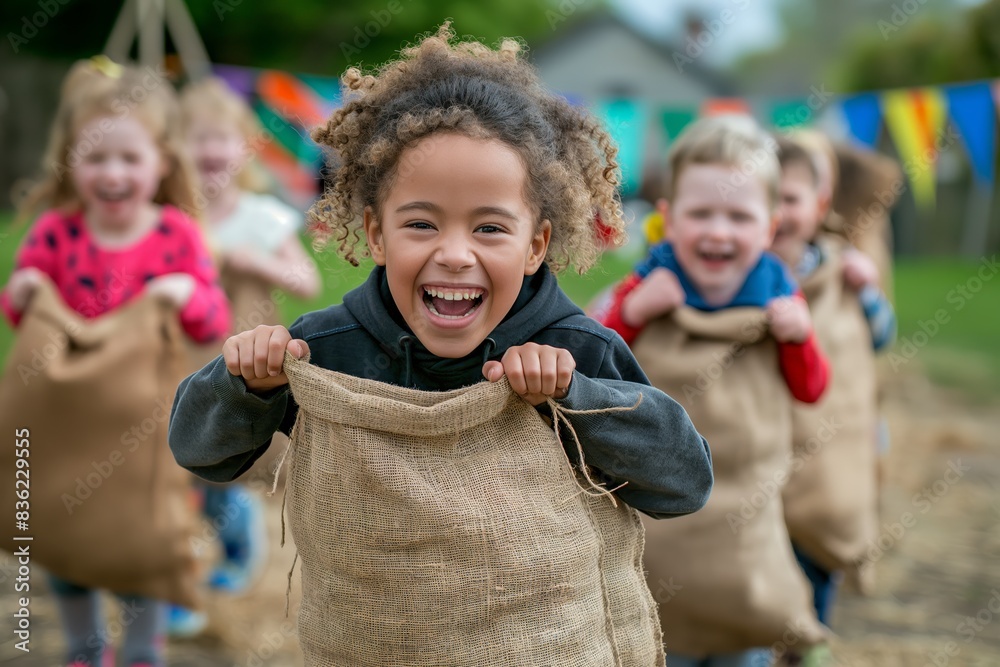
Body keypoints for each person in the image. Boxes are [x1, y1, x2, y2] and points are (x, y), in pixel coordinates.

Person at [167, 21, 713, 652]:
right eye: (421, 224)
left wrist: (575, 397)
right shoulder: (329, 351)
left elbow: (682, 483)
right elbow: (200, 451)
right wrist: (242, 384)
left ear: (537, 244)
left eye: (490, 229)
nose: (455, 254)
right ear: (375, 234)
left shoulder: (576, 350)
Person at [0, 56, 230, 667]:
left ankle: (142, 651)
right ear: (70, 160)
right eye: (95, 157)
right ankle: (84, 646)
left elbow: (213, 317)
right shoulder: (55, 233)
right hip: (68, 423)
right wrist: (22, 291)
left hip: (143, 430)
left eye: (129, 158)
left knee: (142, 546)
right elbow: (22, 315)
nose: (112, 172)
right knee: (61, 537)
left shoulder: (176, 236)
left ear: (161, 162)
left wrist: (186, 293)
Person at [599, 115, 830, 666]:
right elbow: (596, 354)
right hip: (663, 506)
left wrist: (799, 338)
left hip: (744, 505)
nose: (718, 232)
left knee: (743, 630)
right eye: (700, 214)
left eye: (739, 216)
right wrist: (632, 312)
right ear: (668, 219)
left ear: (771, 225)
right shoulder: (651, 278)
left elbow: (812, 389)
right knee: (656, 630)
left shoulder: (779, 291)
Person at [163, 78, 321, 637]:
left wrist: (253, 260)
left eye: (222, 139)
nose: (209, 151)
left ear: (244, 148)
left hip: (237, 364)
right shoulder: (169, 218)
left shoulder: (261, 217)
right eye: (195, 139)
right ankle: (174, 591)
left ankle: (236, 534)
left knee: (216, 470)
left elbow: (306, 280)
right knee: (165, 475)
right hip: (172, 363)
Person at [772, 136, 896, 626]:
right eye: (770, 198)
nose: (780, 213)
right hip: (761, 470)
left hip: (823, 462)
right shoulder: (736, 269)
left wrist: (866, 292)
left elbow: (879, 339)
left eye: (792, 199)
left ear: (821, 204)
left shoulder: (842, 269)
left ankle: (811, 642)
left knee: (813, 576)